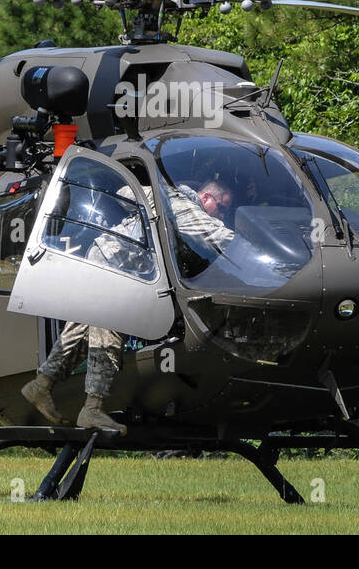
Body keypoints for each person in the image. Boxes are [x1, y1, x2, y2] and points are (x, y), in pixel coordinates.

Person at [21, 178, 235, 434]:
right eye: (221, 208)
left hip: (100, 253)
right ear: (208, 197)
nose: (222, 214)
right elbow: (222, 238)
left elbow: (125, 191)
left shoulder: (162, 193)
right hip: (119, 267)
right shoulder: (186, 209)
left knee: (82, 326)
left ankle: (42, 384)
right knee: (109, 330)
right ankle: (93, 408)